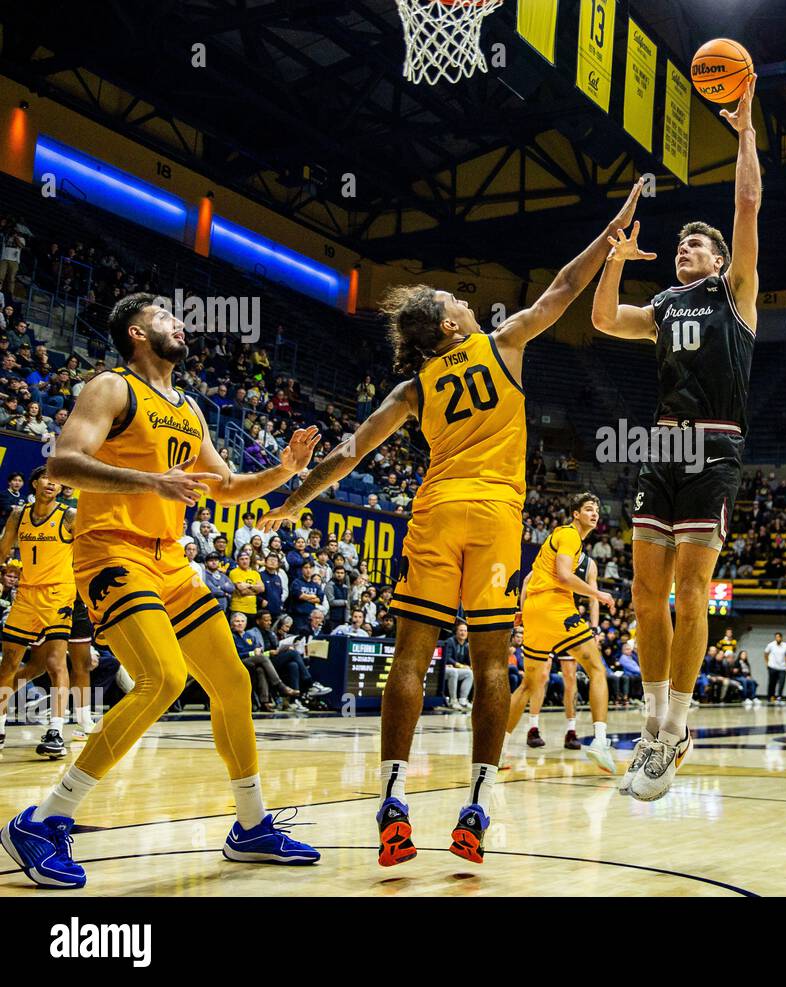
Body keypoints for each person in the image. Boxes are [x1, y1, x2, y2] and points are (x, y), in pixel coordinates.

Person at [257, 182, 646, 866]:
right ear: (448, 326)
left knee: (411, 657)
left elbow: (350, 451)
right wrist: (611, 231)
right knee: (494, 663)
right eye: (457, 300)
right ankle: (478, 802)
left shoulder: (412, 390)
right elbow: (563, 284)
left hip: (435, 508)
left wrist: (295, 498)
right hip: (495, 513)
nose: (466, 301)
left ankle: (393, 796)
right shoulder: (504, 341)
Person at [4, 292, 321, 889]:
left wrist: (283, 471)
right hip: (110, 551)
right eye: (164, 316)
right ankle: (45, 820)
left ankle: (251, 826)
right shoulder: (110, 387)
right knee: (164, 679)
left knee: (233, 682)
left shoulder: (191, 408)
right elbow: (62, 465)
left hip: (169, 561)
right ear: (137, 332)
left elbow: (223, 487)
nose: (179, 322)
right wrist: (152, 480)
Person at [591, 75, 760, 801]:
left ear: (718, 260)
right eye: (683, 240)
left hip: (714, 444)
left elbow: (747, 202)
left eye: (698, 242)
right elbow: (601, 320)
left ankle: (681, 725)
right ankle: (655, 723)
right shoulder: (659, 305)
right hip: (662, 445)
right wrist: (611, 259)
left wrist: (746, 127)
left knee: (692, 594)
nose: (687, 246)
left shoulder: (736, 291)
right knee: (643, 592)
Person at [503, 493, 615, 771]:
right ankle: (600, 741)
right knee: (597, 670)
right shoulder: (570, 536)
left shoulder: (562, 540)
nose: (594, 513)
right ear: (575, 514)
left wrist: (522, 611)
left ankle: (498, 750)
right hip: (557, 609)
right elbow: (564, 577)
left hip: (535, 613)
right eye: (588, 509)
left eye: (596, 510)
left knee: (529, 685)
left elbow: (529, 579)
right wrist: (598, 594)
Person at [0, 467, 76, 757]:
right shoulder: (19, 515)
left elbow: (87, 552)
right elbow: (3, 551)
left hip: (59, 593)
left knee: (56, 663)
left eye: (58, 480)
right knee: (9, 663)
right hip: (27, 593)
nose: (52, 483)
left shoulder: (68, 516)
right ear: (35, 483)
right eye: (47, 478)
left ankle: (56, 732)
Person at [441, 622, 474, 711]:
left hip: (458, 669)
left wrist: (470, 666)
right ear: (456, 632)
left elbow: (469, 661)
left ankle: (463, 700)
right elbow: (447, 657)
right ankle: (453, 700)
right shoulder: (450, 641)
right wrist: (459, 665)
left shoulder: (467, 645)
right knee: (454, 672)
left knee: (470, 673)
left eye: (465, 631)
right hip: (447, 668)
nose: (463, 633)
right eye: (461, 630)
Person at [764, 632, 786, 703]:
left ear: (781, 638)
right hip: (772, 666)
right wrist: (767, 663)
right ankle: (770, 697)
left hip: (782, 667)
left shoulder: (785, 645)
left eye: (779, 637)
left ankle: (779, 697)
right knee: (772, 683)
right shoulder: (770, 645)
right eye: (776, 637)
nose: (778, 638)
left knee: (781, 683)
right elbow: (766, 653)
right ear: (775, 638)